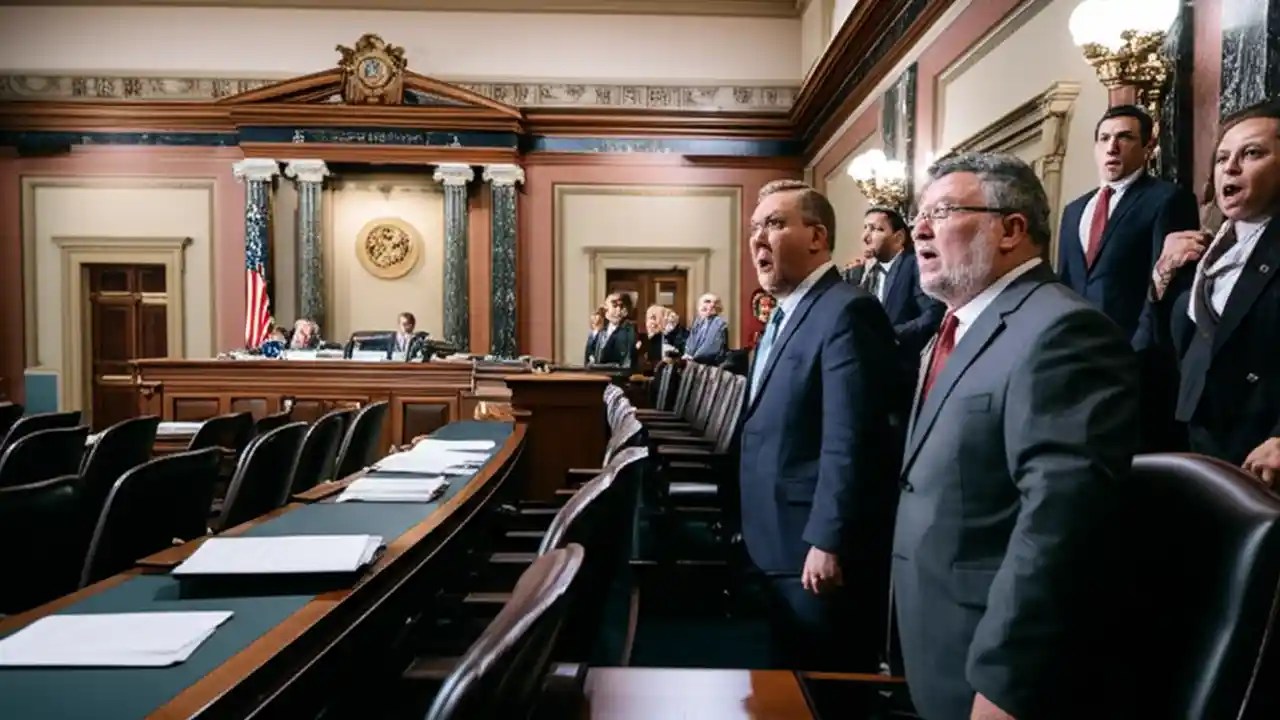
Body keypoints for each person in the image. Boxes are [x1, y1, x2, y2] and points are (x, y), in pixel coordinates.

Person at [893, 152, 1139, 720]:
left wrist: (1005, 684)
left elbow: (1059, 528)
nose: (920, 229)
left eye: (944, 211)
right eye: (918, 215)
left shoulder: (1062, 332)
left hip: (999, 675)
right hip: (938, 644)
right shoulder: (951, 331)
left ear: (1011, 229)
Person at [738, 179, 902, 671]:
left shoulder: (847, 310)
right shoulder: (785, 315)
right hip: (774, 539)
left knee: (824, 686)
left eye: (774, 224)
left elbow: (850, 437)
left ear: (816, 236)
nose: (758, 240)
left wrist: (828, 538)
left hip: (811, 548)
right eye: (754, 228)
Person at [1149, 98, 1280, 483]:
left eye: (1251, 153)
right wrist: (1162, 274)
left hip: (1264, 449)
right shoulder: (1201, 250)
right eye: (1222, 158)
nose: (1231, 168)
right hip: (1199, 442)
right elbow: (1168, 348)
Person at [1058, 104, 1200, 451]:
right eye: (1104, 138)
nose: (1112, 146)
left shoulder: (1168, 199)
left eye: (1124, 137)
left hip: (1138, 363)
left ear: (1148, 148)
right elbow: (1064, 285)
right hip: (1081, 359)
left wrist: (1136, 354)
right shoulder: (1075, 209)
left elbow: (1167, 285)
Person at [858, 206, 945, 360]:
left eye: (875, 229)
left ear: (898, 238)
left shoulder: (915, 265)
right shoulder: (864, 274)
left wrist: (892, 335)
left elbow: (933, 314)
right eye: (865, 228)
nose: (865, 236)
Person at [682, 293, 729, 365]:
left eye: (715, 303)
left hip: (709, 365)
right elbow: (690, 343)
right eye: (707, 301)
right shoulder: (698, 322)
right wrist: (687, 355)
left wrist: (692, 358)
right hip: (694, 364)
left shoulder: (719, 323)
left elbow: (710, 348)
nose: (712, 305)